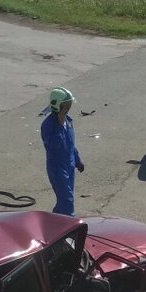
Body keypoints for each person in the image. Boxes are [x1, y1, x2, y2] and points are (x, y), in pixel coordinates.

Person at [40, 86, 85, 216]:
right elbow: (54, 146)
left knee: (65, 199)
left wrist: (77, 160)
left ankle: (55, 220)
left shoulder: (68, 121)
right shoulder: (48, 125)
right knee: (67, 201)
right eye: (67, 105)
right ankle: (71, 225)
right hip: (58, 169)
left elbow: (70, 144)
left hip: (69, 164)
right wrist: (59, 126)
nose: (69, 107)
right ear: (59, 106)